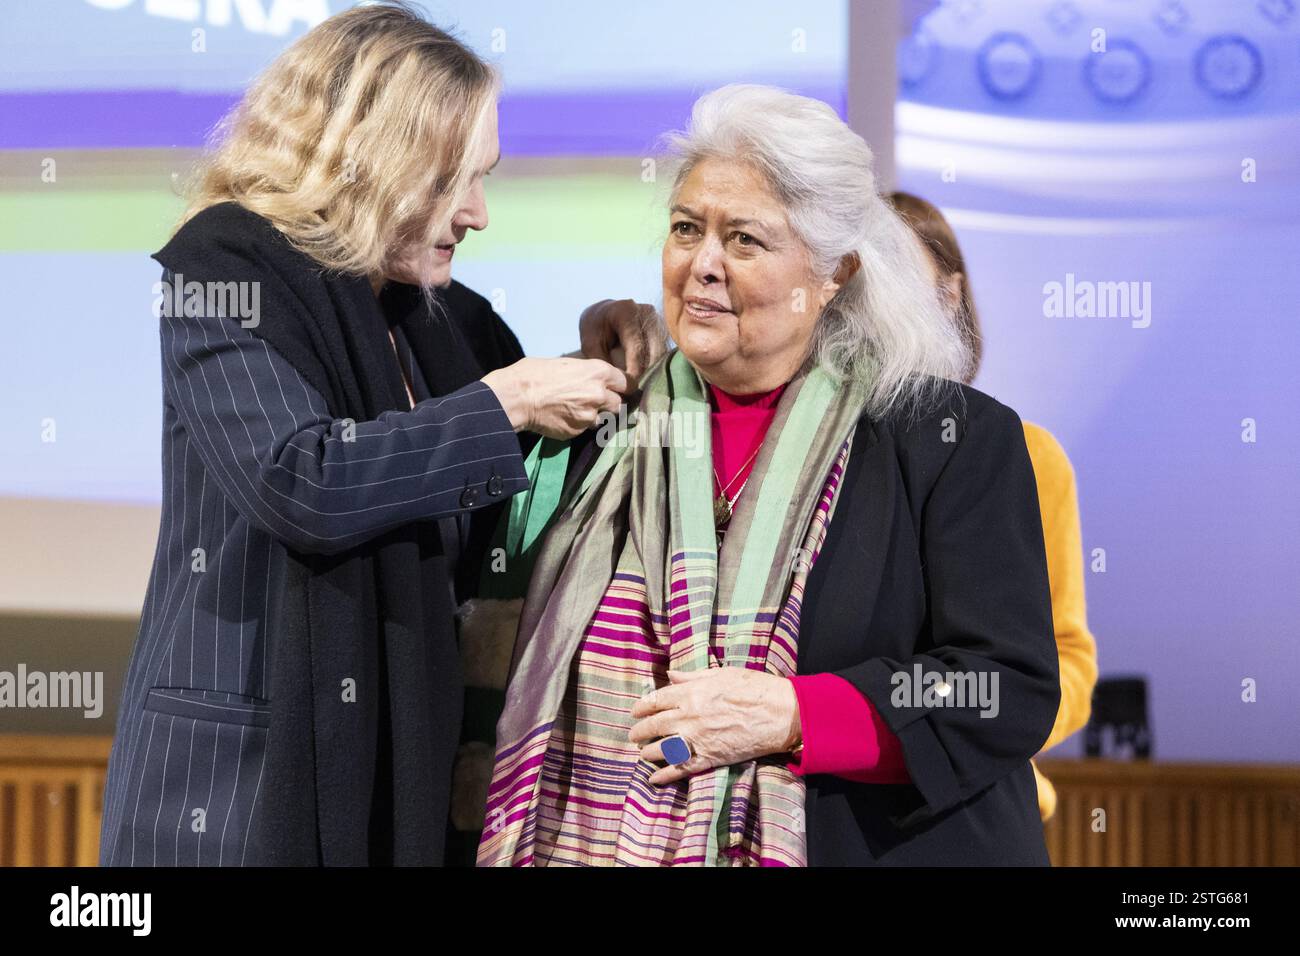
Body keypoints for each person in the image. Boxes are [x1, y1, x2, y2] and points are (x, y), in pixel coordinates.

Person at [99, 2, 662, 867]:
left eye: (486, 178)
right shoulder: (221, 269)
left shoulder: (434, 317)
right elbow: (302, 479)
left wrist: (593, 351)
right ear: (369, 163)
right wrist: (509, 400)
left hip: (397, 771)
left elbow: (503, 448)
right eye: (450, 183)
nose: (477, 214)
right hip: (233, 784)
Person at [477, 85, 1060, 866]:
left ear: (833, 274)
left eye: (744, 240)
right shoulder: (601, 423)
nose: (703, 265)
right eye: (687, 229)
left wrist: (796, 713)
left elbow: (1001, 688)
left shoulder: (950, 438)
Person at [888, 190, 1099, 821]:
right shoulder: (815, 454)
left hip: (976, 806)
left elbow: (1066, 660)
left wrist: (958, 727)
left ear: (948, 296)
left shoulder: (1030, 456)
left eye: (897, 276)